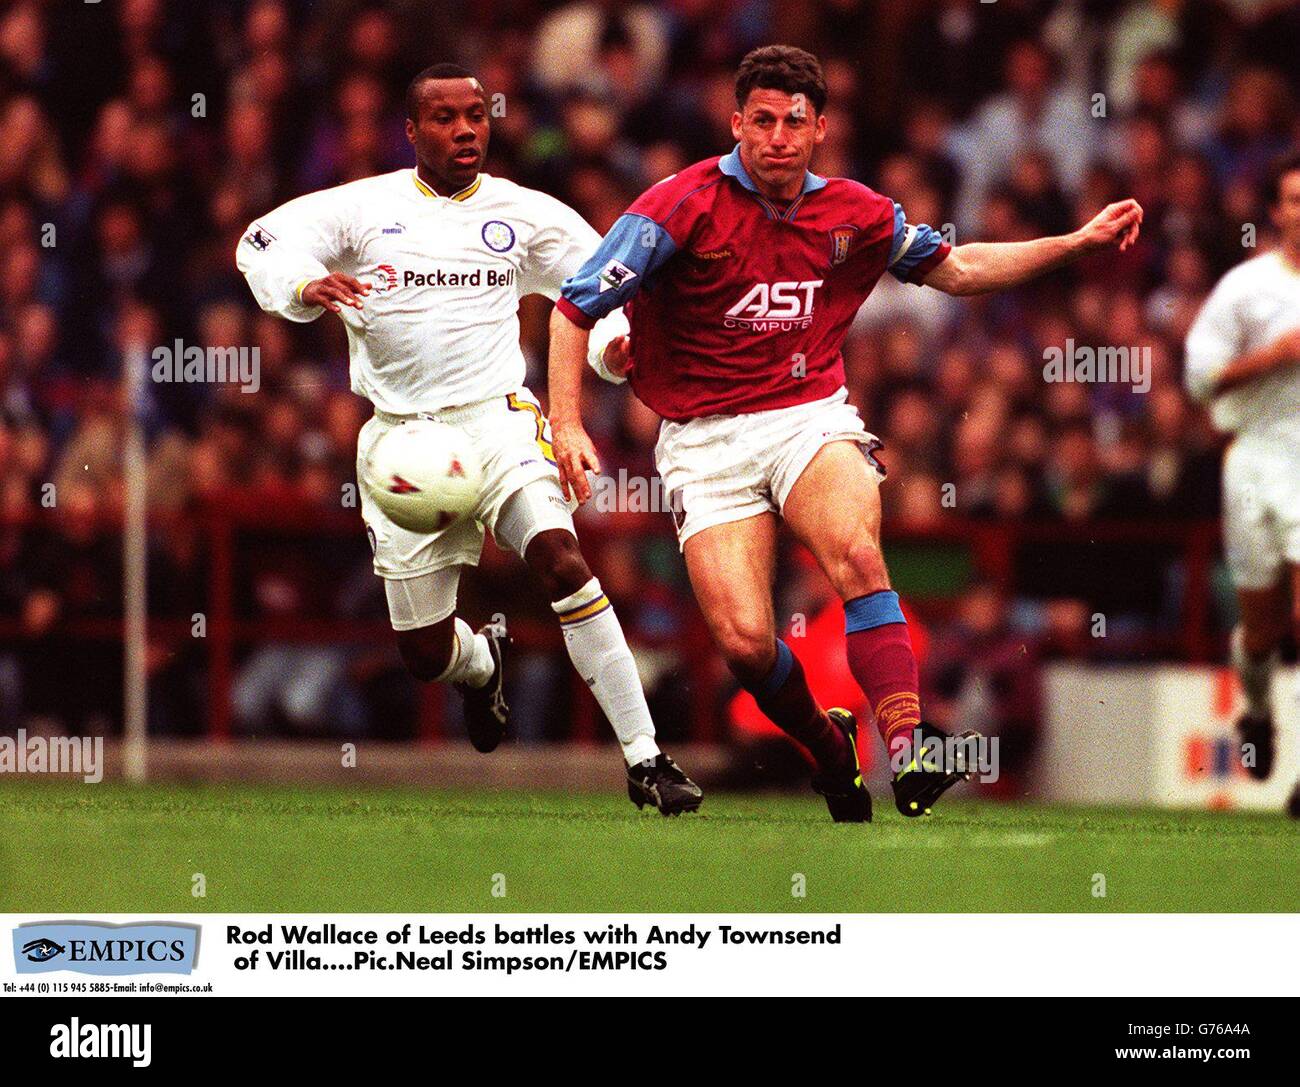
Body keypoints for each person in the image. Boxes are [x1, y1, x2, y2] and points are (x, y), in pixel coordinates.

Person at [548, 44, 1142, 822]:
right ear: (736, 123)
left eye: (795, 120)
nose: (778, 136)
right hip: (703, 438)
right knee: (745, 644)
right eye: (761, 120)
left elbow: (957, 269)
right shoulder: (676, 205)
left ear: (820, 127)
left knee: (860, 554)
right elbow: (573, 305)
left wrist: (1073, 244)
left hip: (807, 416)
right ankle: (832, 751)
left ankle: (909, 746)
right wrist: (565, 420)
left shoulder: (857, 213)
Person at [237, 63, 701, 815]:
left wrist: (611, 351)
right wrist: (301, 286)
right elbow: (261, 242)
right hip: (401, 446)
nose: (465, 131)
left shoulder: (524, 214)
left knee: (561, 558)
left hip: (498, 420)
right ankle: (480, 667)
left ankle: (646, 758)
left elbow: (598, 289)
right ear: (412, 130)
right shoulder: (364, 208)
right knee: (424, 653)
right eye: (446, 118)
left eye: (477, 116)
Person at [1184, 149, 1300, 817]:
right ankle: (1257, 707)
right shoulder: (1246, 289)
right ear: (1276, 212)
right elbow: (1200, 378)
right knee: (1263, 628)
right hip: (1257, 462)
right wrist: (1271, 357)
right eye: (1294, 199)